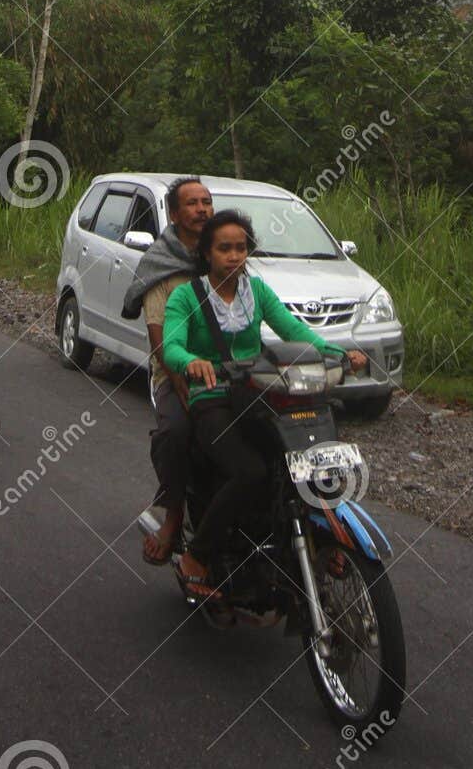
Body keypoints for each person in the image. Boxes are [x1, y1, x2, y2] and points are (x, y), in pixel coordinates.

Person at [162, 209, 369, 600]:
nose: (234, 256)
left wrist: (339, 354)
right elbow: (170, 345)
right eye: (224, 248)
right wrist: (192, 362)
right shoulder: (185, 296)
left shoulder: (256, 292)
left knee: (312, 458)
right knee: (250, 471)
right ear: (207, 253)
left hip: (257, 395)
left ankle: (326, 539)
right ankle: (197, 556)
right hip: (213, 399)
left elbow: (295, 331)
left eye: (241, 248)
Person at [122, 177, 214, 564]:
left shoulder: (223, 254)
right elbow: (159, 337)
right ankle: (174, 516)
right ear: (174, 214)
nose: (202, 209)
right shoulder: (160, 265)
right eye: (192, 204)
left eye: (207, 202)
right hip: (175, 371)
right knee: (175, 431)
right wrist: (180, 383)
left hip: (229, 369)